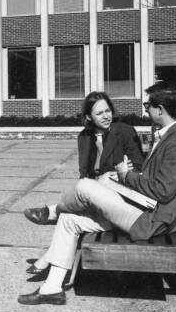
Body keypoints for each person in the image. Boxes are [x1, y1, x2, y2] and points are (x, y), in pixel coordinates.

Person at [18, 82, 176, 305]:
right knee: (71, 218)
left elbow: (163, 191)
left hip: (151, 220)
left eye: (148, 105)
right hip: (142, 208)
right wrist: (118, 178)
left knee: (84, 186)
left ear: (160, 109)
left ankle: (52, 211)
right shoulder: (169, 135)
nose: (145, 109)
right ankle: (51, 288)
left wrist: (125, 176)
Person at [23, 91, 143, 231]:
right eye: (99, 113)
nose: (106, 116)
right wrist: (99, 180)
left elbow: (139, 168)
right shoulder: (84, 137)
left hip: (120, 193)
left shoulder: (125, 132)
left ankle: (53, 211)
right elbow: (84, 174)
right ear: (88, 117)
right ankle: (58, 212)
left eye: (107, 111)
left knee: (87, 189)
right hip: (94, 190)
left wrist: (118, 175)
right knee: (79, 195)